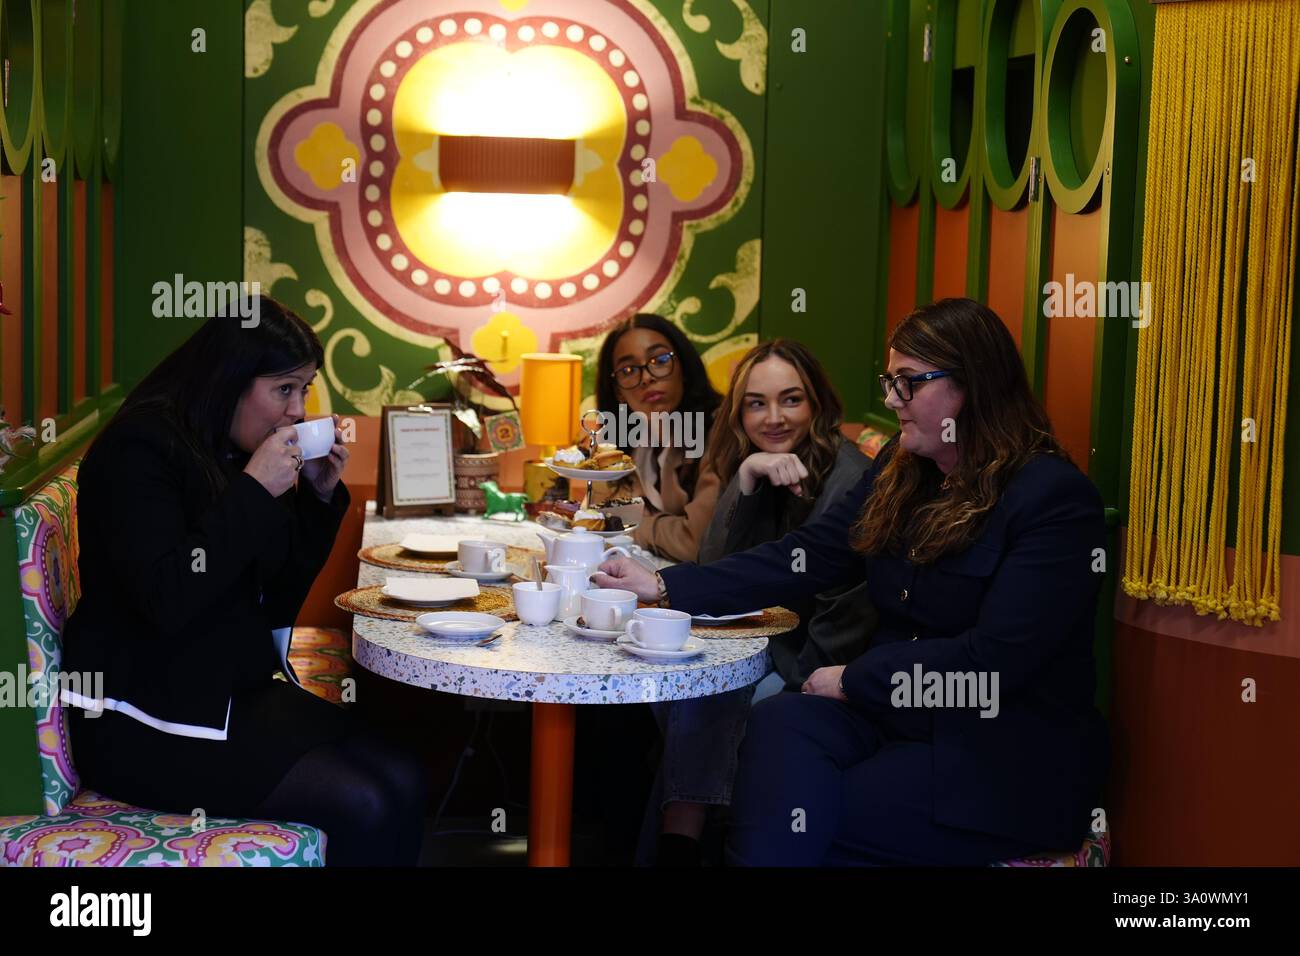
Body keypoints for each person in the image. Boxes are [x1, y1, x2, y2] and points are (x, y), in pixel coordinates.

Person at [595, 297, 1110, 865]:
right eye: (890, 381)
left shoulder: (1053, 499)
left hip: (992, 754)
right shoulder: (904, 467)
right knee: (776, 722)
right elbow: (810, 554)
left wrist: (860, 680)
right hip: (891, 722)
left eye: (908, 383)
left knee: (806, 809)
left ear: (973, 385)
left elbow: (996, 663)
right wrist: (669, 589)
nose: (892, 400)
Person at [62, 296, 427, 866]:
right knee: (364, 801)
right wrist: (254, 492)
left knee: (404, 773)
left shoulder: (231, 449)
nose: (296, 410)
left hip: (223, 690)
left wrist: (319, 497)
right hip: (139, 715)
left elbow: (276, 592)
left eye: (304, 390)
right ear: (229, 379)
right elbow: (166, 598)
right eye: (284, 389)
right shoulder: (138, 449)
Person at [643, 339, 875, 865]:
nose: (773, 417)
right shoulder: (764, 461)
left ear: (817, 402)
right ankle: (681, 839)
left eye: (791, 400)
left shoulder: (848, 478)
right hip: (764, 640)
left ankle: (681, 839)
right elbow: (714, 569)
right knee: (689, 678)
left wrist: (798, 692)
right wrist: (744, 482)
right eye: (755, 403)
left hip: (813, 659)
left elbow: (847, 608)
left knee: (704, 690)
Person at [593, 313, 722, 562]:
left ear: (683, 368)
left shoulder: (718, 431)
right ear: (618, 391)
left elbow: (696, 544)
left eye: (660, 360)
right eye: (628, 370)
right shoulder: (620, 441)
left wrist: (633, 525)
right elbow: (601, 519)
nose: (647, 377)